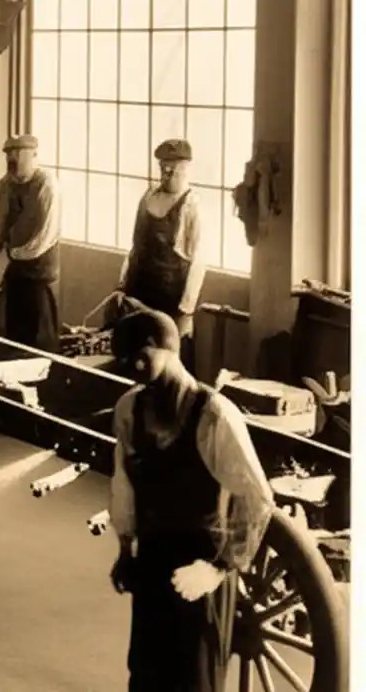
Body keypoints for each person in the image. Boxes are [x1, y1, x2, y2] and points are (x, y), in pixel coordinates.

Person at [108, 309, 274, 691]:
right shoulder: (129, 410)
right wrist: (124, 549)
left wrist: (219, 568)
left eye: (140, 357)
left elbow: (257, 496)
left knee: (195, 681)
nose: (133, 369)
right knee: (146, 675)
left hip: (200, 564)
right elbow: (124, 483)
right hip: (152, 561)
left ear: (162, 349)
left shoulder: (213, 415)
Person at [106, 139, 206, 366]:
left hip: (170, 302)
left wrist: (185, 311)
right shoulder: (148, 197)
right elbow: (135, 248)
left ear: (187, 168)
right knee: (134, 362)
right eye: (163, 166)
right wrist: (122, 286)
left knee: (168, 367)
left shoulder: (192, 206)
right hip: (138, 295)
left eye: (174, 167)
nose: (167, 172)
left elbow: (198, 263)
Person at [0, 134, 62, 352]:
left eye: (19, 156)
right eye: (9, 156)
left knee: (39, 335)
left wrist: (11, 255)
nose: (13, 162)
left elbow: (43, 237)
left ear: (33, 156)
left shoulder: (47, 185)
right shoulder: (5, 184)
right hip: (14, 267)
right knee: (14, 329)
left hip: (38, 267)